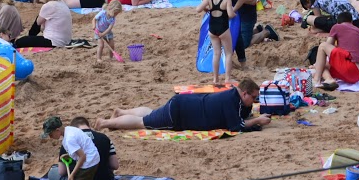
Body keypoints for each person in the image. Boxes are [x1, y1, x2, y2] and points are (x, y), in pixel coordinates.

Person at [99, 79, 268, 132]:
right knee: (142, 123)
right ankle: (105, 123)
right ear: (244, 93)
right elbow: (235, 126)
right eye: (253, 98)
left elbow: (242, 115)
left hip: (182, 104)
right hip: (179, 114)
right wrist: (258, 120)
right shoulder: (231, 101)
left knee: (150, 114)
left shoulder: (233, 96)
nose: (253, 102)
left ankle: (121, 112)